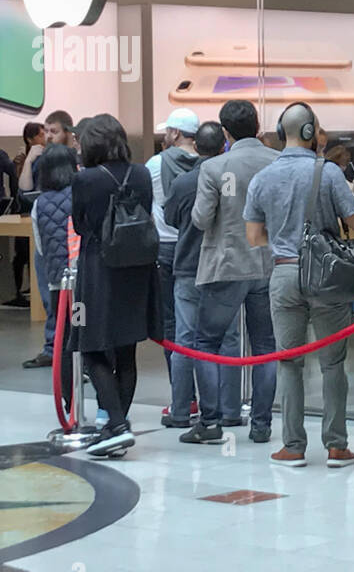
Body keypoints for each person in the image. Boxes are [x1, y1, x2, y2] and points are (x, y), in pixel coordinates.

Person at [246, 102, 354, 469]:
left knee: (288, 361)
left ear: (283, 134)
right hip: (326, 274)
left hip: (283, 273)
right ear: (312, 132)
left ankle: (293, 446)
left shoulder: (262, 178)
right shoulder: (328, 172)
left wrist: (286, 240)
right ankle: (336, 445)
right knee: (333, 362)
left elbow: (254, 236)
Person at [72, 115, 162, 455]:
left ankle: (118, 425)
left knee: (91, 345)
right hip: (137, 268)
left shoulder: (86, 180)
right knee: (126, 349)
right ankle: (115, 426)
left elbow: (81, 226)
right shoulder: (141, 173)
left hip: (98, 268)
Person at [192, 99, 280, 443]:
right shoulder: (277, 163)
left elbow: (201, 218)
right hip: (269, 263)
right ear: (258, 128)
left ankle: (211, 422)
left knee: (206, 343)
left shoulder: (214, 168)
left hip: (226, 264)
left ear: (225, 132)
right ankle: (262, 425)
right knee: (266, 348)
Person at [163, 122, 238, 444]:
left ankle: (181, 410)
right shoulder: (229, 179)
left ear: (196, 147)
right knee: (228, 339)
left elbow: (169, 219)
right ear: (223, 146)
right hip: (224, 268)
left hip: (189, 267)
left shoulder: (182, 182)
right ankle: (230, 409)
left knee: (185, 341)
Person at [147, 108, 201, 406]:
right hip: (201, 248)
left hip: (166, 249)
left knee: (172, 324)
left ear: (175, 134)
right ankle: (211, 398)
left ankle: (183, 398)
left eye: (166, 131)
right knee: (205, 326)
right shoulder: (208, 164)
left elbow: (145, 204)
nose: (163, 135)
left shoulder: (154, 165)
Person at [32, 143, 78, 397]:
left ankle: (67, 397)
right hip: (84, 279)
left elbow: (40, 246)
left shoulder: (39, 203)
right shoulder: (81, 194)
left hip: (58, 280)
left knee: (64, 335)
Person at [5, 121, 45, 309]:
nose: (44, 137)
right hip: (24, 211)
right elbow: (21, 187)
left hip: (38, 210)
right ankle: (17, 291)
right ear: (30, 138)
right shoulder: (22, 160)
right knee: (21, 253)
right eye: (40, 134)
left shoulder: (46, 157)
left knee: (30, 254)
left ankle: (33, 289)